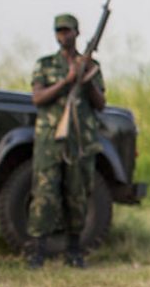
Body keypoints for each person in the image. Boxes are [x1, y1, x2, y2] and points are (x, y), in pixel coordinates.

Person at [28, 14, 106, 269]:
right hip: (50, 141)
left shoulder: (91, 65)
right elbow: (38, 98)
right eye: (59, 31)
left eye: (67, 31)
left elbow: (100, 104)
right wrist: (68, 81)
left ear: (76, 33)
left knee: (77, 195)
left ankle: (74, 251)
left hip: (80, 142)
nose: (63, 35)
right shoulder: (45, 64)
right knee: (44, 195)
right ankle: (37, 252)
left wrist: (86, 78)